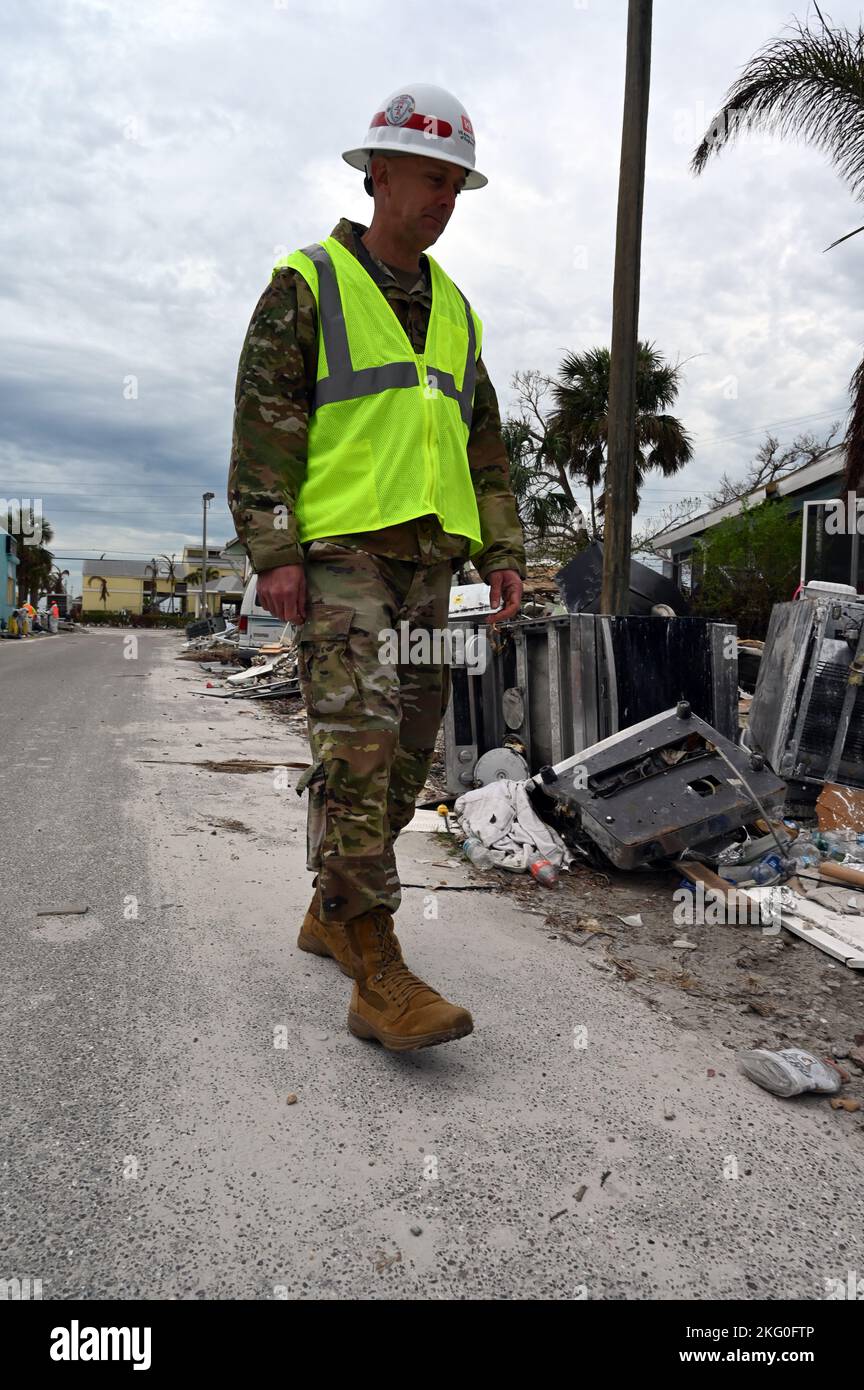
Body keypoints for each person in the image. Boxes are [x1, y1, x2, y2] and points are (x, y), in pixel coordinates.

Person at [228, 83, 526, 1051]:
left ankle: (329, 908)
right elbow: (265, 424)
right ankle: (378, 969)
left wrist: (507, 550)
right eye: (431, 179)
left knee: (403, 763)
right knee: (355, 753)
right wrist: (273, 548)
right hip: (344, 556)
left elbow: (486, 450)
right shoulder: (308, 281)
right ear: (379, 172)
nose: (443, 199)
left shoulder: (457, 312)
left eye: (456, 186)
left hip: (433, 568)